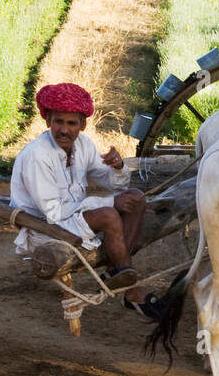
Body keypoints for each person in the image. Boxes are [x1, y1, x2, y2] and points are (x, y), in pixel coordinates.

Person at [10, 82, 164, 317]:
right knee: (109, 215)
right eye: (58, 122)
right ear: (48, 121)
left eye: (71, 123)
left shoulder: (83, 145)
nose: (64, 129)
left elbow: (114, 183)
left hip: (71, 218)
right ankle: (131, 290)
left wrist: (118, 167)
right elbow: (53, 212)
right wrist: (109, 203)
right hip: (45, 227)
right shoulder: (37, 156)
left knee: (136, 197)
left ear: (82, 124)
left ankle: (116, 267)